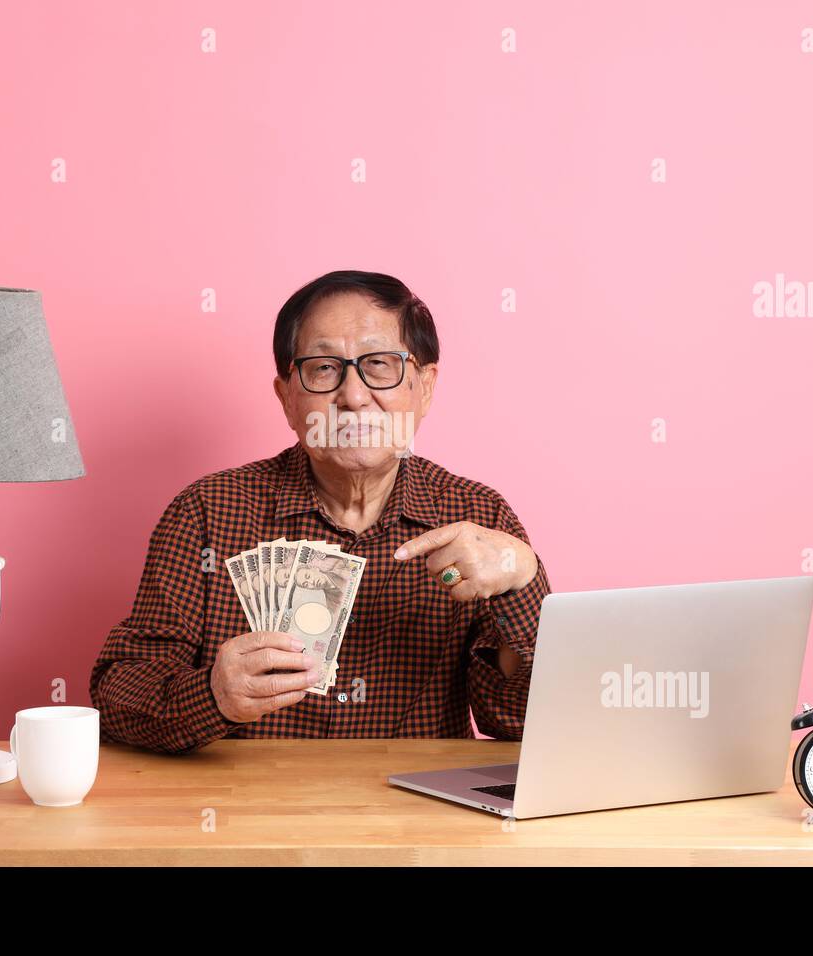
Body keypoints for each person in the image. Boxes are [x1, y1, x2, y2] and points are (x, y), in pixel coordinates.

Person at [89, 270, 550, 754]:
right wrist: (212, 695)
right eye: (324, 368)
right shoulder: (205, 511)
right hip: (243, 816)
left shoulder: (479, 515)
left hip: (416, 820)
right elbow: (116, 697)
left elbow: (516, 722)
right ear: (287, 396)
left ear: (425, 386)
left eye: (378, 364)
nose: (352, 397)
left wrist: (525, 580)